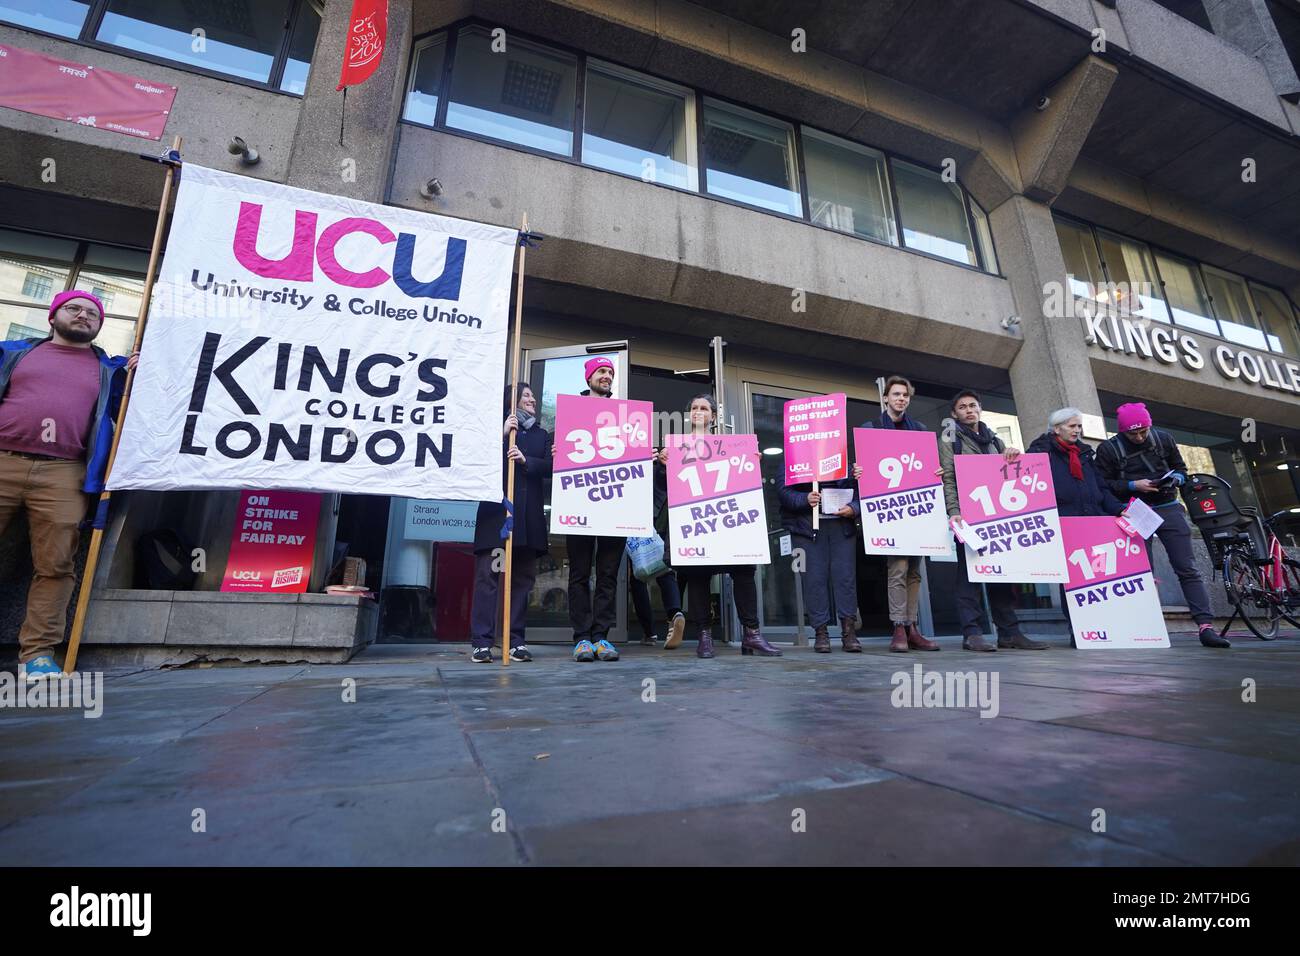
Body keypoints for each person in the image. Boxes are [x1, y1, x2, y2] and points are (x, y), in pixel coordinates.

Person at [0, 290, 136, 680]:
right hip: (3, 460)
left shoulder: (111, 369)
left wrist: (137, 371)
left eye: (93, 313)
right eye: (74, 308)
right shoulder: (13, 352)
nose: (83, 315)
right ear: (53, 316)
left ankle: (38, 654)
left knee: (56, 565)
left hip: (65, 472)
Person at [1094, 401, 1227, 648]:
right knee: (1140, 572)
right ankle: (1146, 627)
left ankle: (1206, 626)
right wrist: (1134, 486)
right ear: (1122, 431)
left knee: (1186, 567)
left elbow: (1181, 467)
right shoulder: (1108, 450)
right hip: (1135, 510)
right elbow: (1103, 485)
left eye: (1143, 431)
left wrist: (1177, 477)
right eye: (1133, 433)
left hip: (1168, 506)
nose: (1139, 436)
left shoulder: (1163, 438)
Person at [937, 389, 1048, 651]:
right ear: (954, 413)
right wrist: (954, 511)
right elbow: (949, 478)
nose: (968, 410)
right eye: (962, 407)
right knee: (969, 577)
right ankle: (972, 633)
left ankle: (1009, 633)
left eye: (972, 405)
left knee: (1002, 575)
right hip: (968, 515)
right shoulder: (950, 438)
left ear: (980, 409)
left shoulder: (995, 441)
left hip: (997, 518)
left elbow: (1008, 478)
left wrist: (1012, 455)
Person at [675, 394, 781, 658]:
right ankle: (704, 636)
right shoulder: (678, 448)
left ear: (713, 416)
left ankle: (752, 634)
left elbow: (743, 478)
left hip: (729, 523)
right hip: (698, 522)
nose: (699, 412)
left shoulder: (731, 447)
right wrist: (664, 464)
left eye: (704, 408)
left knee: (744, 571)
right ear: (690, 415)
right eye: (695, 408)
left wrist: (752, 462)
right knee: (699, 576)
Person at [852, 375, 940, 653]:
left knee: (915, 571)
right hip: (889, 511)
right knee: (898, 568)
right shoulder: (873, 427)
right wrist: (859, 472)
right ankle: (899, 627)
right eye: (896, 394)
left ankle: (912, 627)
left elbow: (928, 467)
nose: (901, 399)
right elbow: (866, 467)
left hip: (916, 509)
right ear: (886, 398)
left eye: (905, 395)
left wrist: (935, 471)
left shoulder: (921, 430)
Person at [1027, 407, 1125, 647]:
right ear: (1057, 428)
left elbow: (1101, 488)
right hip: (1065, 525)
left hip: (1094, 524)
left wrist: (1119, 509)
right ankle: (1080, 630)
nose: (1077, 430)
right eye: (1072, 426)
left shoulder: (1084, 454)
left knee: (1099, 579)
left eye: (1079, 426)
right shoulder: (1040, 452)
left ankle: (1105, 628)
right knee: (1073, 581)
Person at [469, 383, 551, 663]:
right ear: (511, 401)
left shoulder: (542, 434)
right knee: (488, 579)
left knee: (522, 580)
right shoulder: (495, 431)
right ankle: (482, 642)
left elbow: (550, 467)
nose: (532, 399)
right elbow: (476, 462)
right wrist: (503, 436)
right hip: (497, 517)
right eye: (525, 395)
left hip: (528, 520)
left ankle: (516, 640)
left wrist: (527, 460)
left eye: (532, 396)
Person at [778, 422, 860, 654]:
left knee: (845, 580)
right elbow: (783, 492)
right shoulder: (792, 457)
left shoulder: (846, 458)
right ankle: (821, 632)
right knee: (813, 580)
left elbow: (863, 490)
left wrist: (854, 508)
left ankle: (849, 631)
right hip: (807, 529)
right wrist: (805, 499)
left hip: (841, 526)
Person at [566, 356, 625, 662]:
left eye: (610, 373)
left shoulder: (624, 416)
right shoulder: (571, 413)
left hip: (614, 506)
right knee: (578, 575)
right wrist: (556, 448)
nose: (606, 376)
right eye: (601, 372)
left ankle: (601, 637)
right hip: (579, 504)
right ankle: (581, 639)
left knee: (607, 575)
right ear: (589, 377)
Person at [628, 444, 686, 647]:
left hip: (642, 513)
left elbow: (669, 480)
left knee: (638, 574)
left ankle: (649, 632)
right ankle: (675, 612)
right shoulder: (635, 447)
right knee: (663, 568)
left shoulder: (654, 451)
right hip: (651, 512)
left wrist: (662, 464)